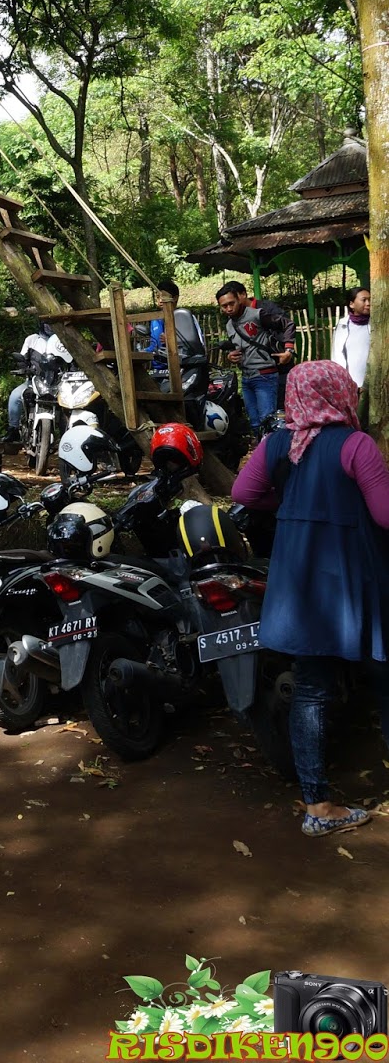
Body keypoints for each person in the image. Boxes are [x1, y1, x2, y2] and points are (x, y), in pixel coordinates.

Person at [232, 360, 389, 837]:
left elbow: (243, 491)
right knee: (383, 673)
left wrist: (292, 507)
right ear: (339, 394)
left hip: (299, 581)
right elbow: (384, 515)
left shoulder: (279, 443)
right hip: (353, 577)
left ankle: (317, 806)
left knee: (312, 688)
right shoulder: (355, 445)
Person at [216, 280, 294, 432]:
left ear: (240, 299)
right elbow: (240, 347)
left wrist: (288, 350)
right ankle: (262, 453)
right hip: (246, 378)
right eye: (224, 306)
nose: (229, 308)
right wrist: (232, 356)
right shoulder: (229, 325)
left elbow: (287, 324)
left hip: (265, 375)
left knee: (268, 421)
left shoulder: (257, 314)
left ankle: (274, 453)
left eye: (232, 303)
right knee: (255, 424)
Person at [150, 279, 209, 428]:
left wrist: (172, 341)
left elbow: (197, 345)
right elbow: (153, 346)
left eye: (163, 296)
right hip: (159, 371)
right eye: (158, 297)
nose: (160, 300)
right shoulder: (155, 320)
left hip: (182, 370)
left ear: (175, 298)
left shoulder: (185, 318)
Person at [4, 322, 72, 441]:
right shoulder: (32, 339)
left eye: (51, 323)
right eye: (46, 323)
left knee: (71, 402)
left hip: (59, 383)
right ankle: (13, 429)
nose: (49, 326)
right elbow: (22, 358)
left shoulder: (62, 341)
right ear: (41, 323)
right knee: (15, 396)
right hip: (34, 380)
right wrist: (24, 368)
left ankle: (68, 436)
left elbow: (71, 362)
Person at [331, 286, 371, 389]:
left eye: (370, 300)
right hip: (350, 384)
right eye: (364, 300)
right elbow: (337, 354)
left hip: (374, 382)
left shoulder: (377, 325)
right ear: (351, 304)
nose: (368, 303)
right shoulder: (342, 325)